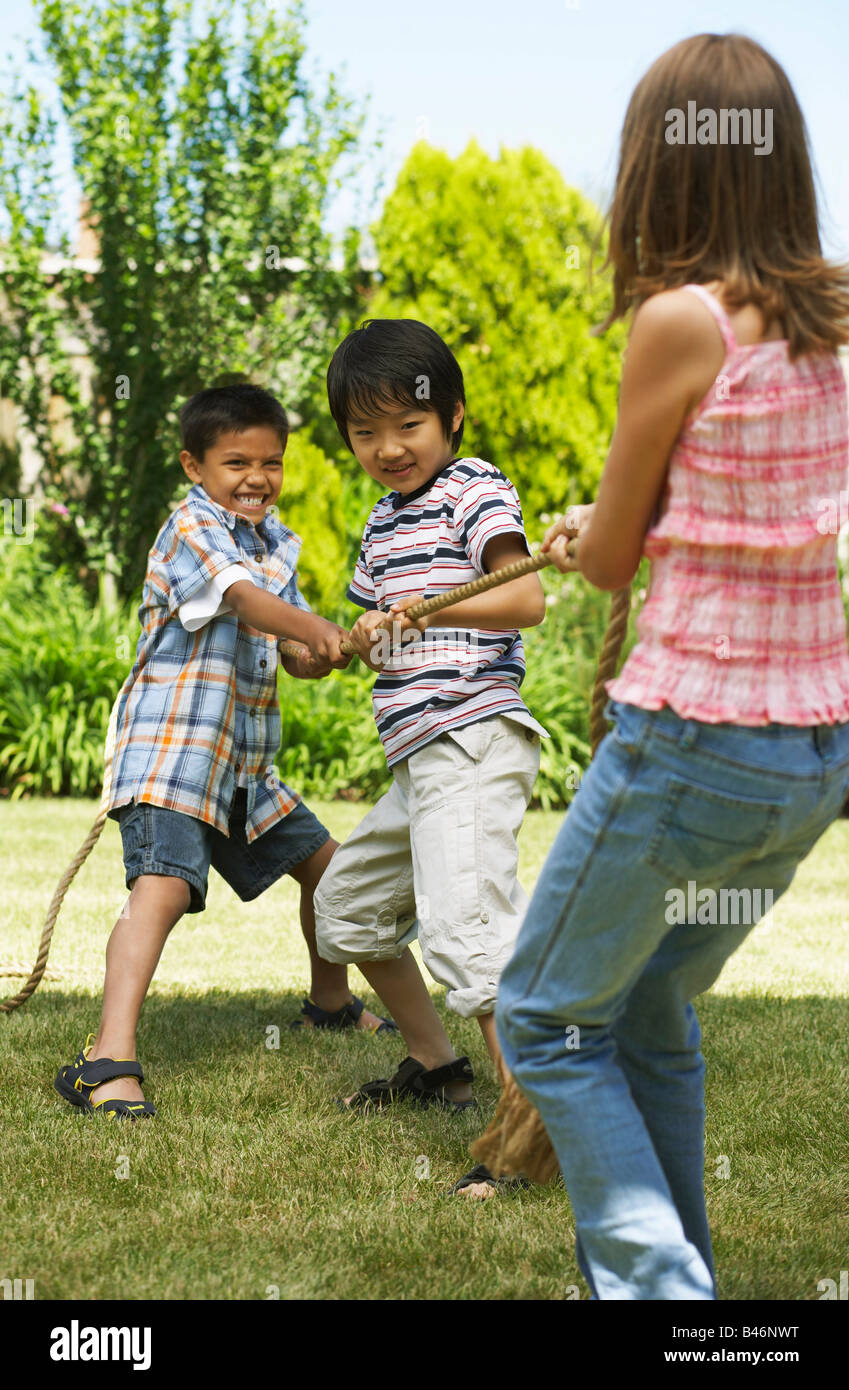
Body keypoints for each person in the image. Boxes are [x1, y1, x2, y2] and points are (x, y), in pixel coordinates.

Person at [495, 31, 849, 1296]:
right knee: (643, 1010)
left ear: (663, 167)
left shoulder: (679, 322)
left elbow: (609, 555)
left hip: (693, 740)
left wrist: (591, 533)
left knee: (543, 1016)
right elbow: (744, 508)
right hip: (812, 757)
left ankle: (663, 1296)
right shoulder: (837, 318)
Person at [55, 383, 395, 1121]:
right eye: (235, 461)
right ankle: (104, 1060)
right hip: (172, 752)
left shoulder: (277, 544)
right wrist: (315, 624)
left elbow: (287, 646)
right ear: (193, 466)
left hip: (242, 769)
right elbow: (243, 601)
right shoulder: (190, 527)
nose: (256, 477)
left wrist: (326, 651)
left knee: (330, 872)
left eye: (271, 462)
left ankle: (328, 1004)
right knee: (165, 886)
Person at [313, 319, 547, 1140]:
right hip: (418, 761)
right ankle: (440, 1067)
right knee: (346, 910)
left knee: (466, 930)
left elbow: (524, 599)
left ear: (451, 416)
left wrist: (423, 610)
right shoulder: (380, 527)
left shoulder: (472, 488)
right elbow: (371, 652)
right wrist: (355, 643)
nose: (388, 447)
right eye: (364, 432)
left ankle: (531, 1127)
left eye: (407, 426)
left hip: (472, 738)